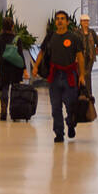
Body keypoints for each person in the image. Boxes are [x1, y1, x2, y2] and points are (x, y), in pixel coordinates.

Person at [37, 11, 87, 142]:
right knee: (55, 107)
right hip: (54, 77)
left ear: (67, 22)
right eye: (57, 19)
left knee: (70, 105)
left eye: (62, 19)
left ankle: (71, 124)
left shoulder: (74, 37)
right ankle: (59, 133)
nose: (59, 21)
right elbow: (42, 52)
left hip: (69, 76)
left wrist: (82, 75)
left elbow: (80, 57)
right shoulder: (50, 37)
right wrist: (36, 66)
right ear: (55, 22)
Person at [0, 17, 29, 121]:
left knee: (4, 88)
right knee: (15, 90)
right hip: (15, 68)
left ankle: (3, 111)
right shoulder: (16, 39)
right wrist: (25, 70)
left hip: (2, 67)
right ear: (13, 26)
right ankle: (15, 112)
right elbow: (21, 54)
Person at [78, 15, 98, 94]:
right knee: (81, 73)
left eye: (87, 21)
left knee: (88, 74)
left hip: (90, 55)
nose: (86, 22)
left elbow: (97, 41)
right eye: (84, 21)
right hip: (80, 56)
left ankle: (88, 92)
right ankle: (80, 91)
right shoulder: (77, 32)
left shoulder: (92, 32)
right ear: (81, 22)